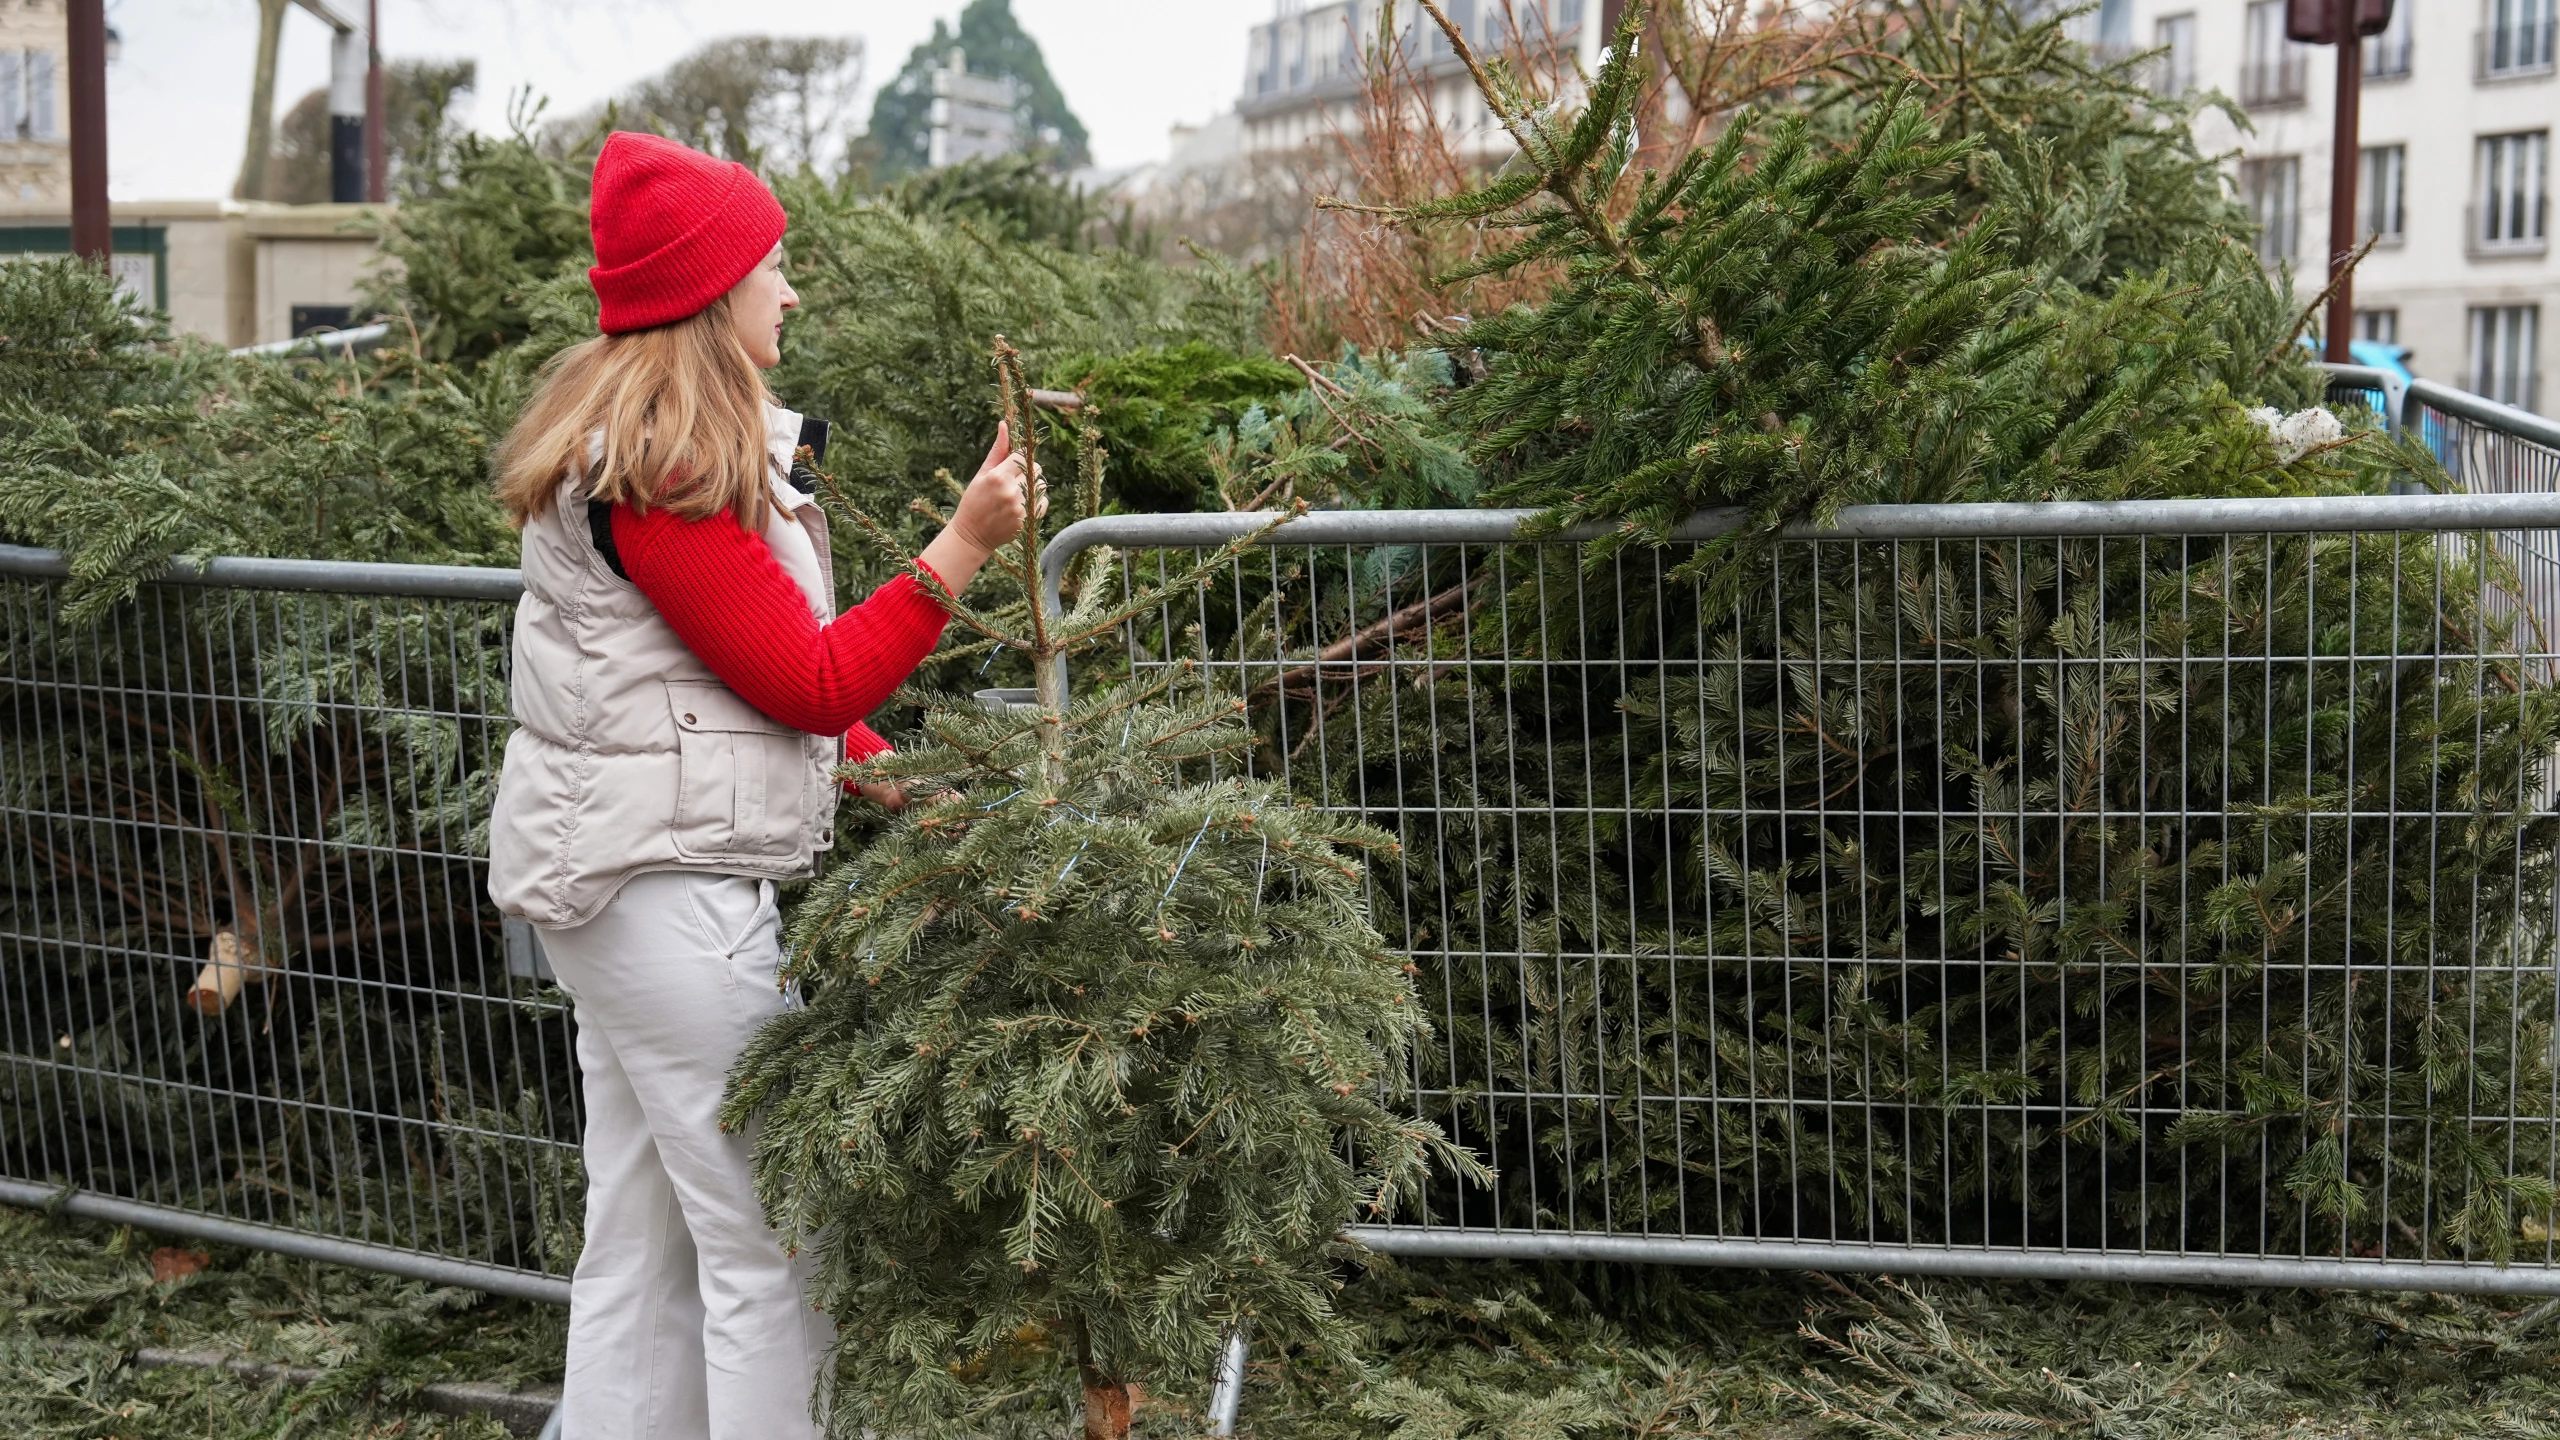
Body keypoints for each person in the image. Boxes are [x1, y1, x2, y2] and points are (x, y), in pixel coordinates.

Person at [486, 130, 1038, 1440]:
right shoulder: (664, 469)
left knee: (644, 1235)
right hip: (663, 899)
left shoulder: (651, 447)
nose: (789, 292)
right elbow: (807, 679)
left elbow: (701, 672)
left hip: (613, 886)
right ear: (709, 290)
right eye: (771, 267)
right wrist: (960, 547)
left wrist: (862, 766)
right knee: (771, 1240)